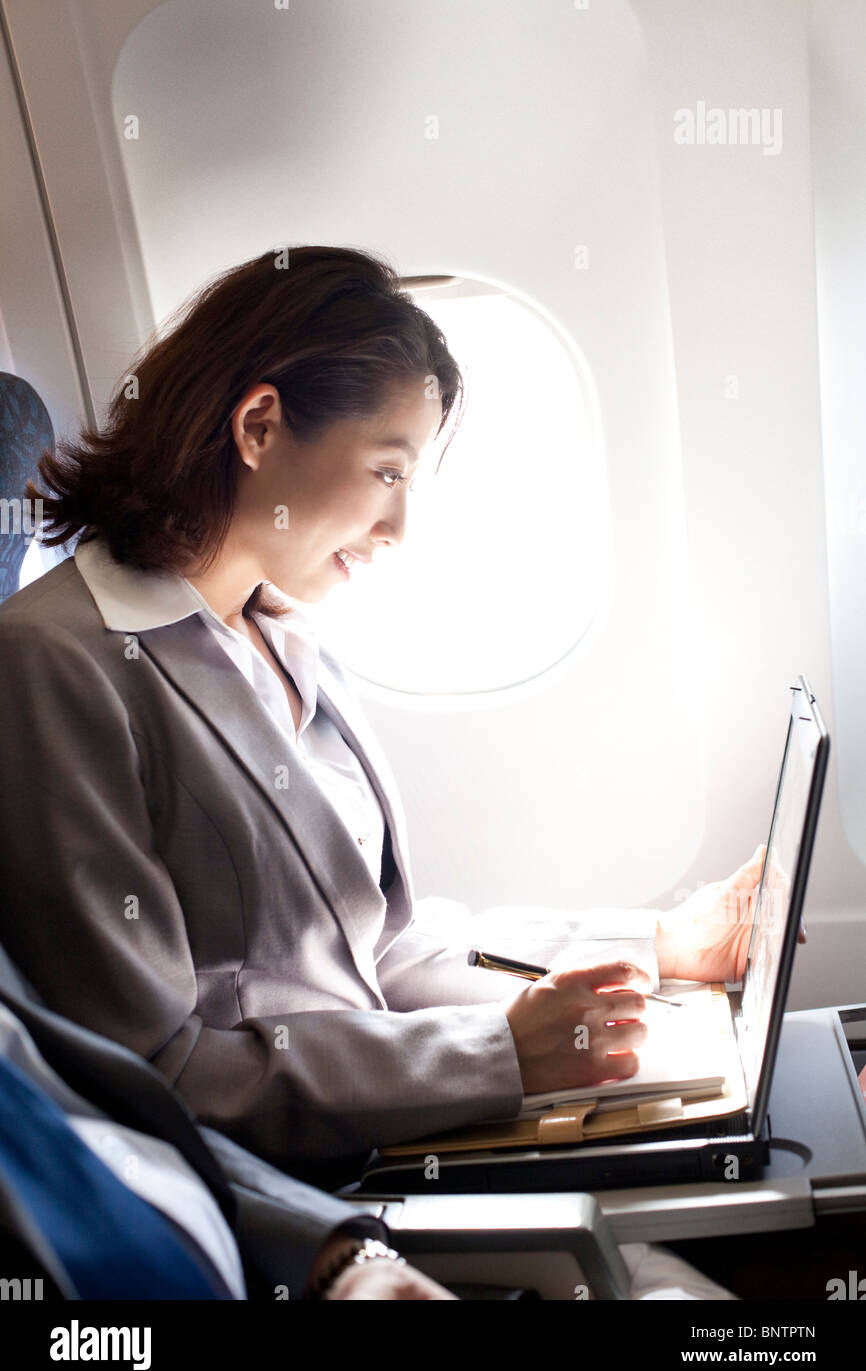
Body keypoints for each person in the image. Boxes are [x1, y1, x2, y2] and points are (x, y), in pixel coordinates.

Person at [0, 245, 766, 1186]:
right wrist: (500, 1059)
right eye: (388, 473)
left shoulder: (277, 630)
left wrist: (655, 947)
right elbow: (152, 1071)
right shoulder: (56, 664)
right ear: (259, 426)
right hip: (281, 1189)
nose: (400, 531)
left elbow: (384, 946)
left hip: (388, 1131)